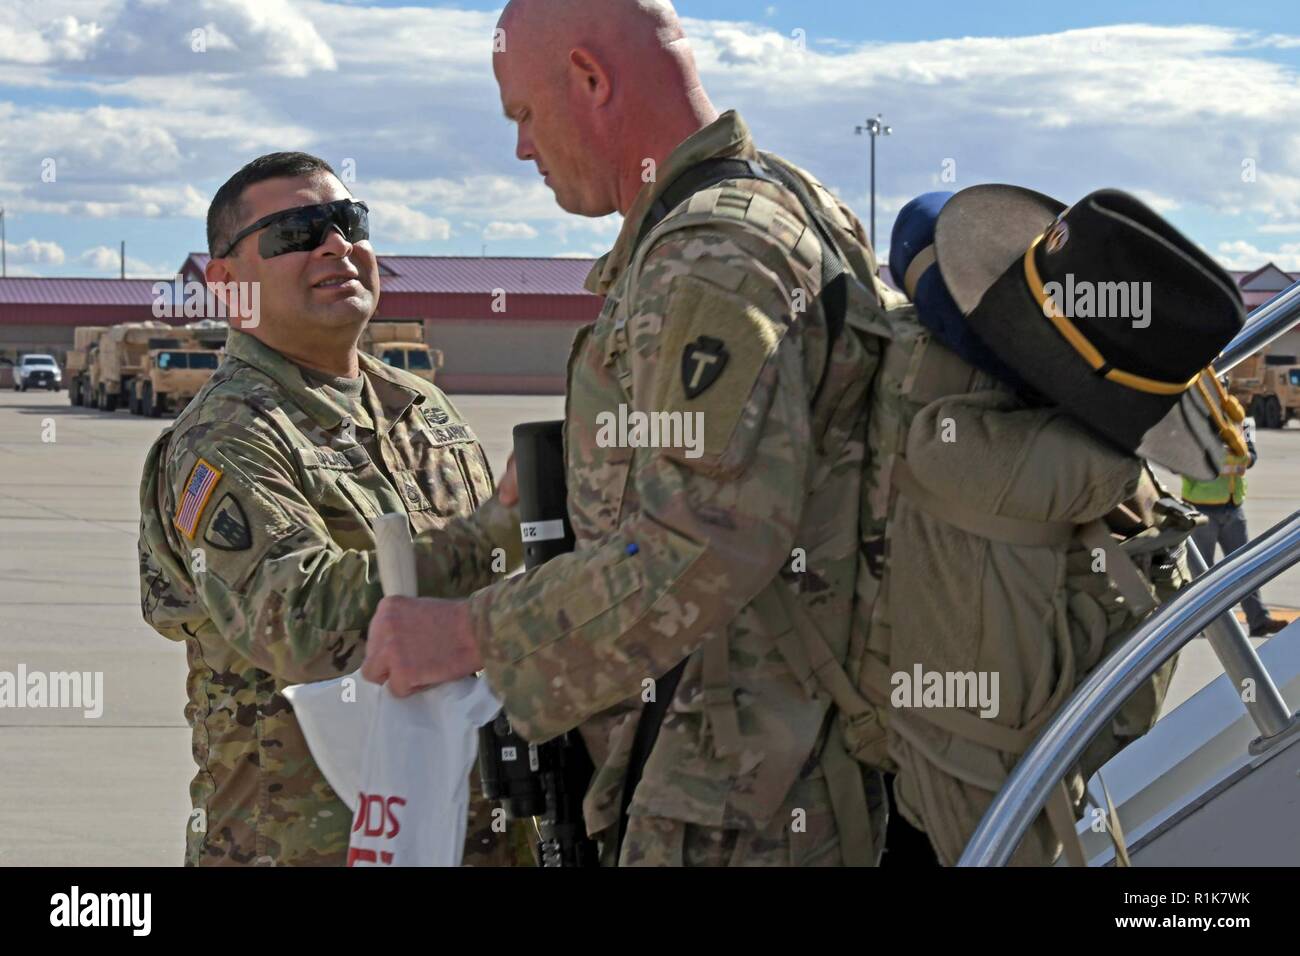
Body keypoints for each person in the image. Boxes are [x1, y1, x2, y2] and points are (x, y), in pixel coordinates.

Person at [364, 0, 893, 866]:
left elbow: (707, 539)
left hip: (740, 806)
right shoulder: (782, 205)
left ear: (591, 78)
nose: (523, 149)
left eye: (525, 115)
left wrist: (470, 636)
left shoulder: (711, 254)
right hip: (744, 774)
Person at [137, 151, 526, 866]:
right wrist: (494, 533)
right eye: (296, 232)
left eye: (349, 222)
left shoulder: (422, 410)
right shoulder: (228, 437)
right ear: (227, 285)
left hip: (452, 829)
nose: (336, 246)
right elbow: (299, 624)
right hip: (304, 841)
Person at [1182, 403, 1287, 637]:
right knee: (1201, 573)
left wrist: (1237, 457)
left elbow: (1251, 456)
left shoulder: (1244, 422)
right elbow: (1185, 461)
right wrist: (1232, 458)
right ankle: (1197, 626)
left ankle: (1259, 621)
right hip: (1202, 508)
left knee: (1245, 567)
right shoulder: (1194, 419)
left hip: (1233, 507)